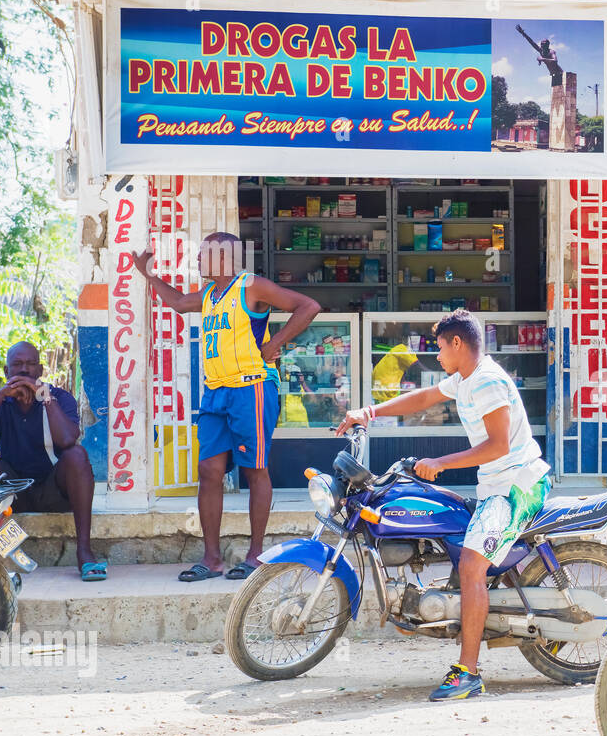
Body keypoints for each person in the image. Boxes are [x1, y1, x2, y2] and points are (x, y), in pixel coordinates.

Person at [336, 309, 550, 702]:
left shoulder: (485, 381)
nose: (436, 355)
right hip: (495, 485)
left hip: (518, 486)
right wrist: (369, 412)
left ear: (457, 343)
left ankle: (468, 672)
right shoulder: (465, 379)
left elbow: (499, 446)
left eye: (439, 346)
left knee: (471, 565)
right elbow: (424, 398)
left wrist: (440, 463)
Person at [136, 233, 321, 581]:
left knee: (255, 471)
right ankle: (212, 558)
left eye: (205, 253)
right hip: (216, 392)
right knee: (209, 472)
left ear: (225, 257)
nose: (198, 259)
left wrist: (276, 343)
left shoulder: (252, 287)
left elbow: (308, 306)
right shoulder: (209, 295)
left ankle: (254, 555)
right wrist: (148, 275)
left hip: (251, 389)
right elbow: (177, 303)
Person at [0, 342, 104, 581]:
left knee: (77, 455)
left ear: (41, 370)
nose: (24, 371)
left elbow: (67, 440)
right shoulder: (0, 401)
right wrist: (1, 395)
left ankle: (84, 551)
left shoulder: (60, 397)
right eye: (17, 365)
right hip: (14, 494)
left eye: (31, 364)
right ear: (6, 372)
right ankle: (3, 549)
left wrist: (45, 398)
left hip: (52, 490)